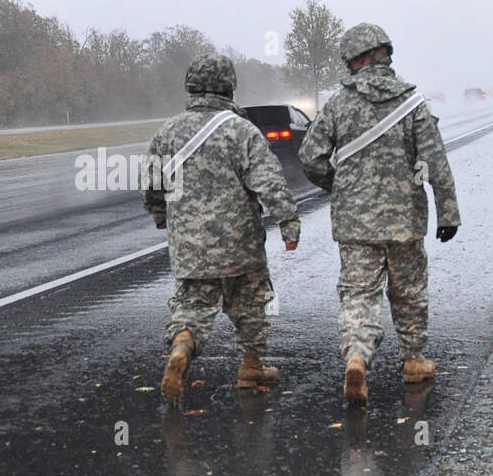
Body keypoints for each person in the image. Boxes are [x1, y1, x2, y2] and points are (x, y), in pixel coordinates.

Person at [298, 22, 460, 404]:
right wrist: (448, 214)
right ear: (385, 53)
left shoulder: (338, 104)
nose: (349, 68)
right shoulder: (413, 102)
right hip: (405, 222)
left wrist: (339, 187)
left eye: (350, 61)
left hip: (355, 225)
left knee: (358, 295)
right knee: (408, 294)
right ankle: (414, 361)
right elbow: (435, 162)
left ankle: (357, 357)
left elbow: (310, 157)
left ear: (362, 58)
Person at [142, 52, 301, 404]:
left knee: (192, 305)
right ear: (229, 87)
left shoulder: (167, 132)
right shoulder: (242, 131)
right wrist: (288, 223)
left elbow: (152, 183)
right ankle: (251, 366)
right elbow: (270, 182)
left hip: (190, 245)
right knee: (250, 303)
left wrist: (160, 215)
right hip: (240, 243)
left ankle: (183, 343)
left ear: (191, 85)